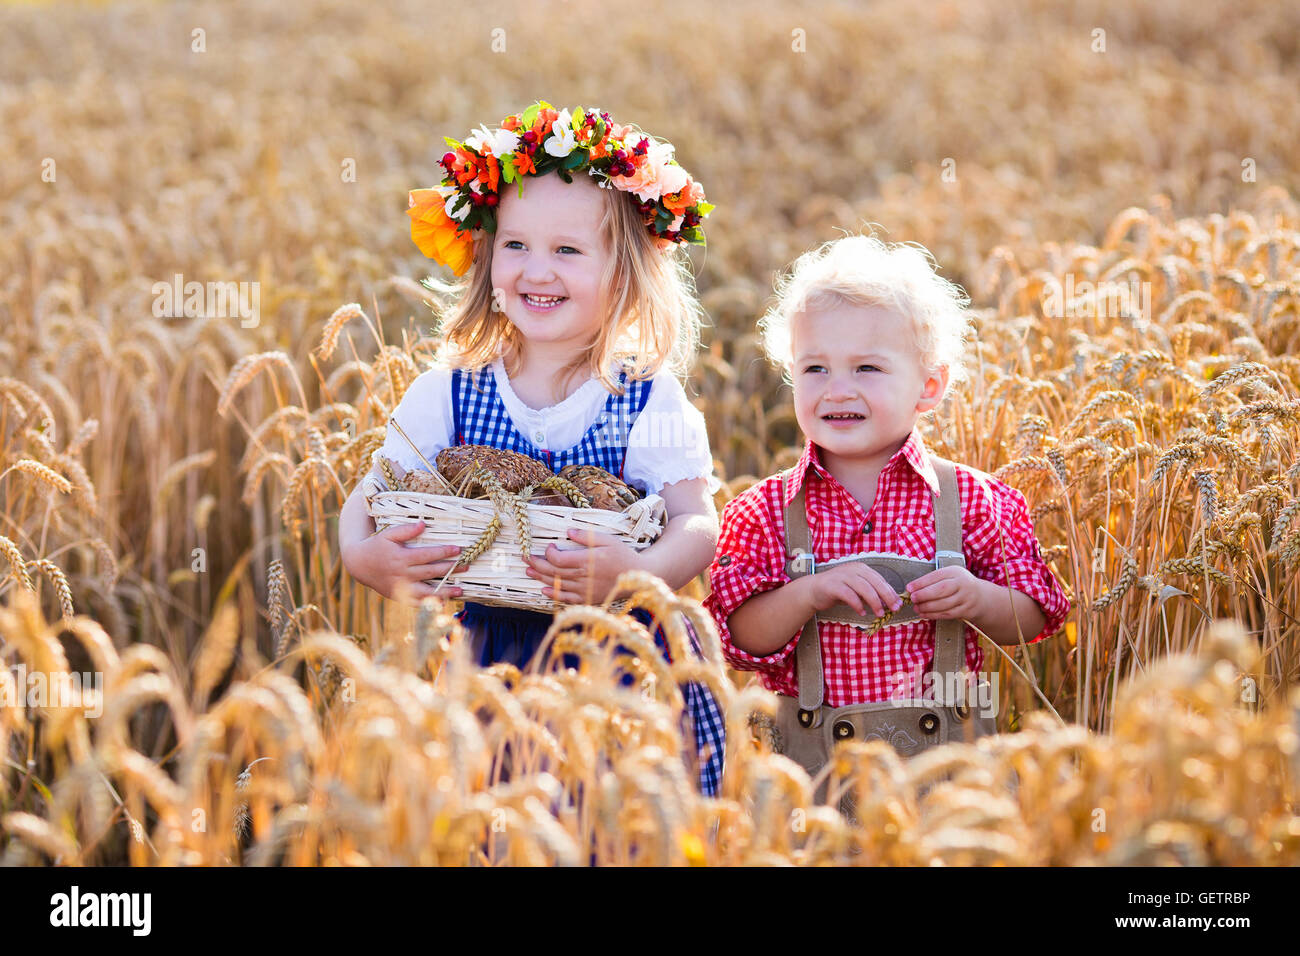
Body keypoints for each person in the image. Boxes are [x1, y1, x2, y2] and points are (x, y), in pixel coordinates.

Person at [337, 101, 725, 796]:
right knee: (501, 819)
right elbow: (367, 498)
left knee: (612, 825)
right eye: (515, 246)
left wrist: (638, 571)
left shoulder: (646, 397)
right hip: (490, 661)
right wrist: (362, 555)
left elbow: (697, 522)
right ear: (487, 258)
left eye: (567, 251)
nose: (536, 271)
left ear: (625, 271)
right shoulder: (447, 392)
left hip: (620, 665)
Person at [704, 234, 1070, 803]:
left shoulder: (971, 500)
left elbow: (1032, 618)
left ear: (929, 387)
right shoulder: (765, 511)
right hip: (812, 781)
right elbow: (739, 638)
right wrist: (808, 593)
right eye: (815, 368)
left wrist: (977, 597)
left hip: (947, 779)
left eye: (868, 367)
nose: (837, 389)